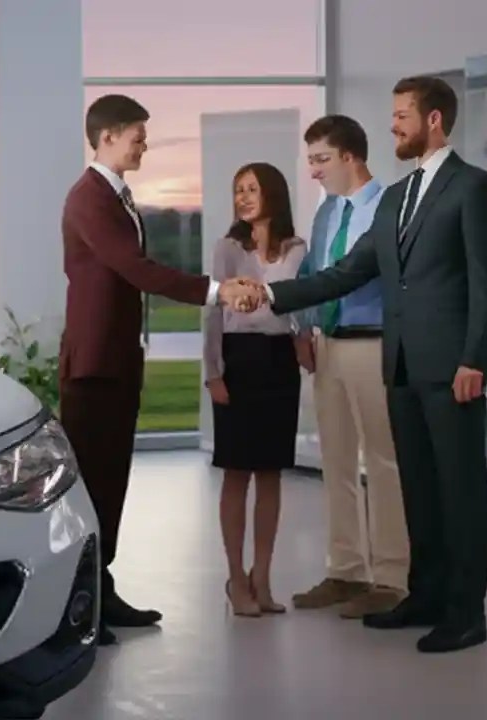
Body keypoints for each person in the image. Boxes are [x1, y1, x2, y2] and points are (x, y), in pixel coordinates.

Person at [234, 76, 487, 653]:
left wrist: (475, 359)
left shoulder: (473, 187)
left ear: (434, 120)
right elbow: (349, 272)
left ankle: (466, 613)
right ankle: (425, 595)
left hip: (451, 366)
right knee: (419, 488)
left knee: (460, 492)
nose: (393, 126)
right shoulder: (399, 197)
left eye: (403, 115)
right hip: (401, 365)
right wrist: (274, 296)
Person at [59, 94, 257, 645]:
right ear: (107, 137)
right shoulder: (89, 197)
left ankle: (102, 590)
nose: (145, 144)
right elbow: (135, 269)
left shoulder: (116, 197)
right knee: (94, 486)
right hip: (95, 365)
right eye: (137, 135)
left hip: (117, 360)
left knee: (113, 482)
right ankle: (82, 605)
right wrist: (217, 291)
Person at [290, 115, 411, 619]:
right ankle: (345, 570)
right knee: (335, 461)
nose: (314, 171)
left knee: (383, 463)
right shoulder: (326, 215)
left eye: (321, 159)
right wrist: (301, 327)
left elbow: (357, 275)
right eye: (311, 160)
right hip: (329, 346)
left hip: (373, 345)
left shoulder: (389, 207)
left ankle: (392, 577)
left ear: (350, 157)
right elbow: (312, 272)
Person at [203, 162, 308, 617]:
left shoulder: (297, 248)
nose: (243, 197)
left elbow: (297, 306)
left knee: (271, 473)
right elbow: (211, 312)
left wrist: (306, 342)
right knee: (235, 472)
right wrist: (213, 371)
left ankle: (261, 577)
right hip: (237, 360)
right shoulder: (228, 248)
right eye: (237, 189)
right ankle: (234, 576)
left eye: (252, 189)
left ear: (274, 195)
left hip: (279, 361)